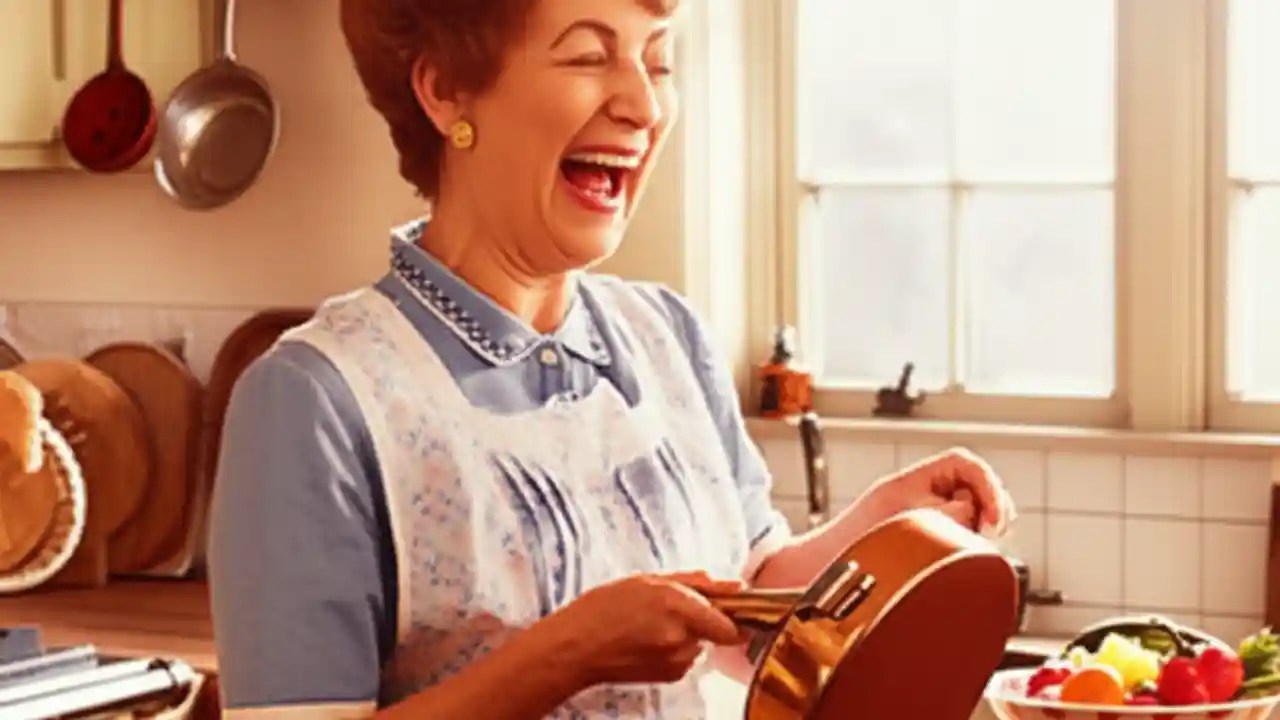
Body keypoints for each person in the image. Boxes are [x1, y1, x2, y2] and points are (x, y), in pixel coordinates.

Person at [205, 0, 1018, 717]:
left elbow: (743, 620)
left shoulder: (667, 337)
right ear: (446, 89)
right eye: (591, 56)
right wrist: (569, 652)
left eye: (658, 60)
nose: (642, 104)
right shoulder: (315, 401)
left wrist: (879, 526)